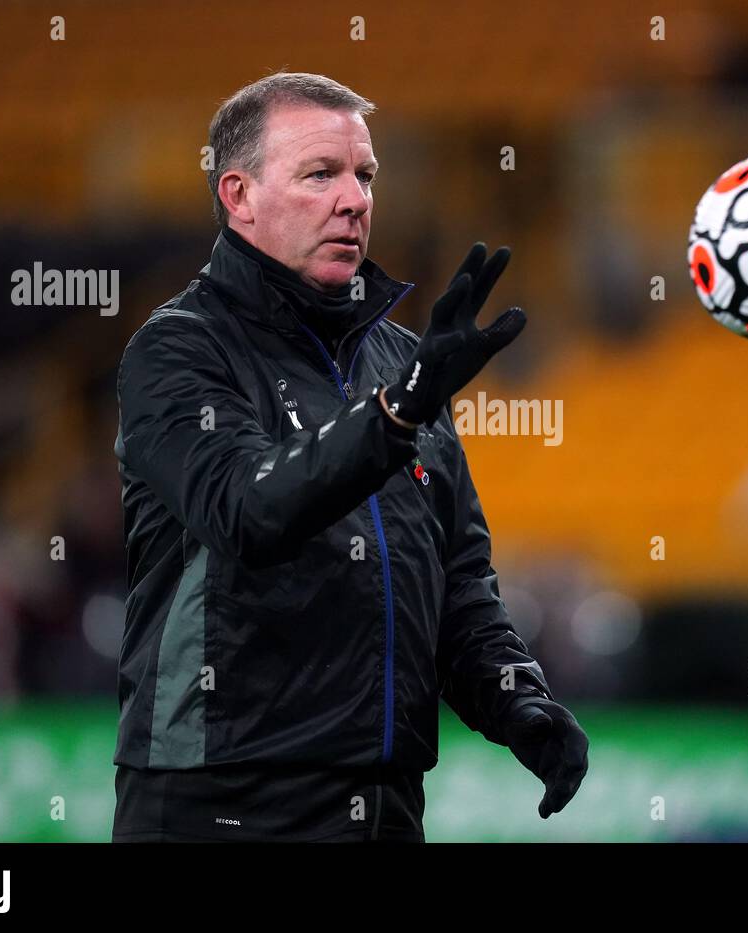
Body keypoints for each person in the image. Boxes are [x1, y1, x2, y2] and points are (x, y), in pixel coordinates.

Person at [110, 72, 588, 842]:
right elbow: (246, 509)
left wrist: (517, 699)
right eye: (320, 174)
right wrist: (394, 413)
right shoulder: (178, 350)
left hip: (386, 805)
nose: (354, 200)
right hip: (223, 802)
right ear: (239, 195)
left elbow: (458, 581)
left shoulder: (403, 361)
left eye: (365, 175)